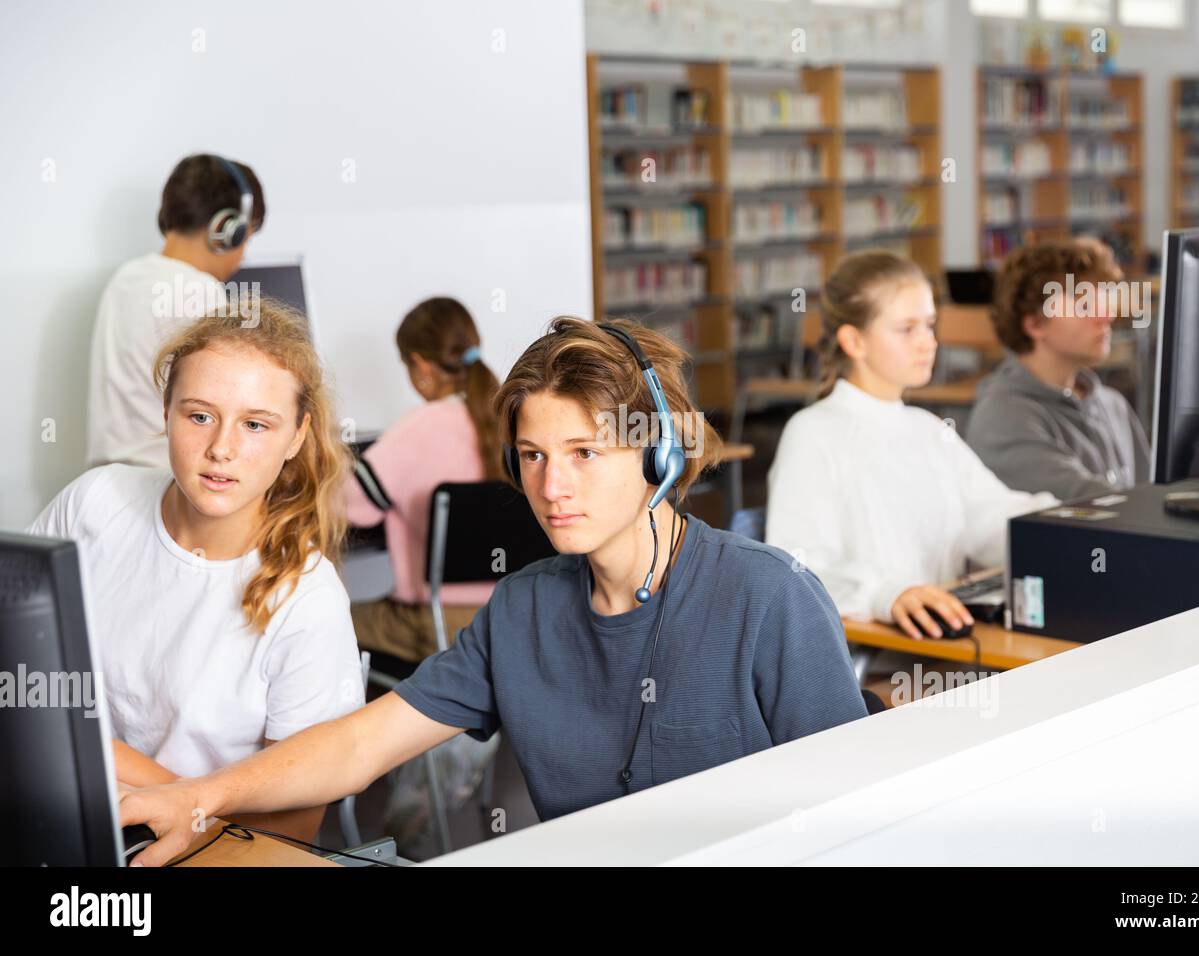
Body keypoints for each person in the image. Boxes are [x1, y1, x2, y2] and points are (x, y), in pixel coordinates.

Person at [118, 317, 869, 865]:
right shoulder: (523, 609)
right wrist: (200, 798)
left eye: (585, 453)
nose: (552, 486)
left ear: (659, 454)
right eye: (534, 455)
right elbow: (358, 744)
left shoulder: (769, 598)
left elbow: (863, 818)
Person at [32, 300, 361, 842]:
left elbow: (293, 829)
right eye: (199, 415)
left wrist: (103, 759)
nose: (221, 449)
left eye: (256, 424)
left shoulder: (309, 603)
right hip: (59, 810)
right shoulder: (96, 503)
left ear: (297, 437)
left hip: (203, 851)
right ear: (166, 412)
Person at [766, 250, 1057, 640]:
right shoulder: (813, 433)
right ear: (854, 340)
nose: (928, 343)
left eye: (930, 325)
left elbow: (988, 516)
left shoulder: (928, 428)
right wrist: (887, 594)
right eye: (907, 329)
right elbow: (798, 566)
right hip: (873, 648)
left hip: (944, 639)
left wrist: (1061, 523)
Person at [344, 297, 501, 662]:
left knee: (325, 623)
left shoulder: (418, 426)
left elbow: (352, 508)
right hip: (509, 620)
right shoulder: (510, 417)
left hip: (434, 626)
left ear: (418, 364)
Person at [87, 154, 266, 469]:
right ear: (226, 230)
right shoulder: (201, 292)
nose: (241, 258)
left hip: (107, 479)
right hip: (165, 482)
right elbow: (235, 407)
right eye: (245, 240)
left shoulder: (126, 278)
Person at [965, 238, 1151, 501]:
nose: (1107, 315)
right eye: (1084, 304)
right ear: (1034, 324)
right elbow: (1101, 508)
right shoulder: (1003, 420)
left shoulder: (1112, 405)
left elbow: (1150, 494)